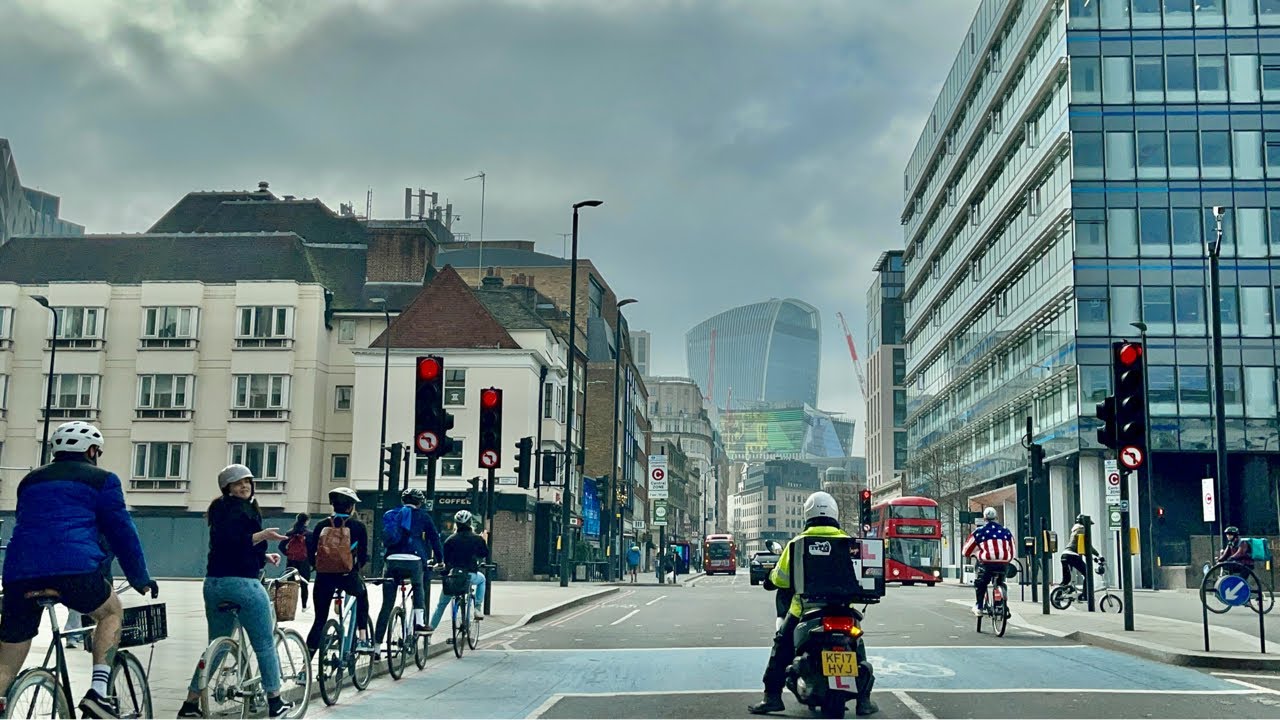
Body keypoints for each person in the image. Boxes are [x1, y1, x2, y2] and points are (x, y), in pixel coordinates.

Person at [0, 421, 158, 720]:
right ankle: (98, 693)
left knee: (10, 648)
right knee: (110, 613)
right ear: (92, 451)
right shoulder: (103, 480)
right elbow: (121, 532)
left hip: (20, 573)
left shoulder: (30, 481)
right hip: (74, 569)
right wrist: (139, 577)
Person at [177, 465, 293, 719]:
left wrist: (263, 555)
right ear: (227, 488)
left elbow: (228, 548)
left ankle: (190, 704)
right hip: (243, 585)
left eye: (247, 482)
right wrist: (262, 535)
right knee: (264, 644)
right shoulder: (237, 509)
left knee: (216, 647)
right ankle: (275, 701)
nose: (244, 486)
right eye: (238, 483)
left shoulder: (219, 509)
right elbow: (235, 540)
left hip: (214, 585)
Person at [748, 491, 877, 717]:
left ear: (807, 514)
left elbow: (780, 579)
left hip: (805, 610)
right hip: (843, 610)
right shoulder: (849, 542)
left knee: (782, 647)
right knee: (858, 646)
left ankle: (772, 697)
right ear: (835, 513)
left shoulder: (797, 543)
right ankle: (864, 700)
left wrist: (771, 579)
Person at [305, 487, 371, 654]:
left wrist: (318, 567)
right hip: (347, 576)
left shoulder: (321, 525)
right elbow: (363, 555)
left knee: (320, 619)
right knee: (362, 595)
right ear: (351, 507)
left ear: (333, 505)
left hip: (323, 577)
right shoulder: (358, 526)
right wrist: (355, 569)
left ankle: (306, 662)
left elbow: (311, 552)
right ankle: (363, 638)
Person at [374, 489, 444, 641]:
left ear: (403, 501)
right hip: (414, 559)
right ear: (420, 502)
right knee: (418, 586)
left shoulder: (392, 514)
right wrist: (440, 560)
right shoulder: (423, 516)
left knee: (387, 605)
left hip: (391, 559)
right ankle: (419, 623)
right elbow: (434, 539)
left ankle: (377, 646)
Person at [427, 510, 490, 631]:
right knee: (482, 579)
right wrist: (484, 540)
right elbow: (484, 553)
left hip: (453, 577)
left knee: (441, 605)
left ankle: (430, 630)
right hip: (469, 576)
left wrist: (445, 575)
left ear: (456, 524)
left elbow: (446, 561)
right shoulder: (477, 539)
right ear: (470, 523)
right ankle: (477, 607)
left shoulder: (450, 540)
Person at [962, 507, 1016, 617]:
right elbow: (1013, 550)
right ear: (996, 518)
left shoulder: (979, 532)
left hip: (987, 563)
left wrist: (974, 554)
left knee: (981, 583)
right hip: (1003, 563)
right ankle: (1002, 604)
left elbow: (966, 551)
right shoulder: (1006, 531)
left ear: (984, 518)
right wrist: (1006, 559)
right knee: (1000, 582)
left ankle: (979, 606)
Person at [278, 513, 312, 611]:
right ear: (307, 521)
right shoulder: (309, 534)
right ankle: (304, 606)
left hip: (291, 562)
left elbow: (281, 546)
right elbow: (312, 549)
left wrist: (288, 554)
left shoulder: (290, 532)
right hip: (304, 562)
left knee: (291, 585)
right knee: (304, 584)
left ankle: (289, 607)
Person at [1059, 516, 1100, 587]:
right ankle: (1086, 593)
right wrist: (1098, 555)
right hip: (1072, 555)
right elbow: (1088, 546)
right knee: (1087, 574)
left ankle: (1060, 591)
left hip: (1064, 554)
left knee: (1066, 579)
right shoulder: (1082, 530)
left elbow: (1080, 546)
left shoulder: (1075, 530)